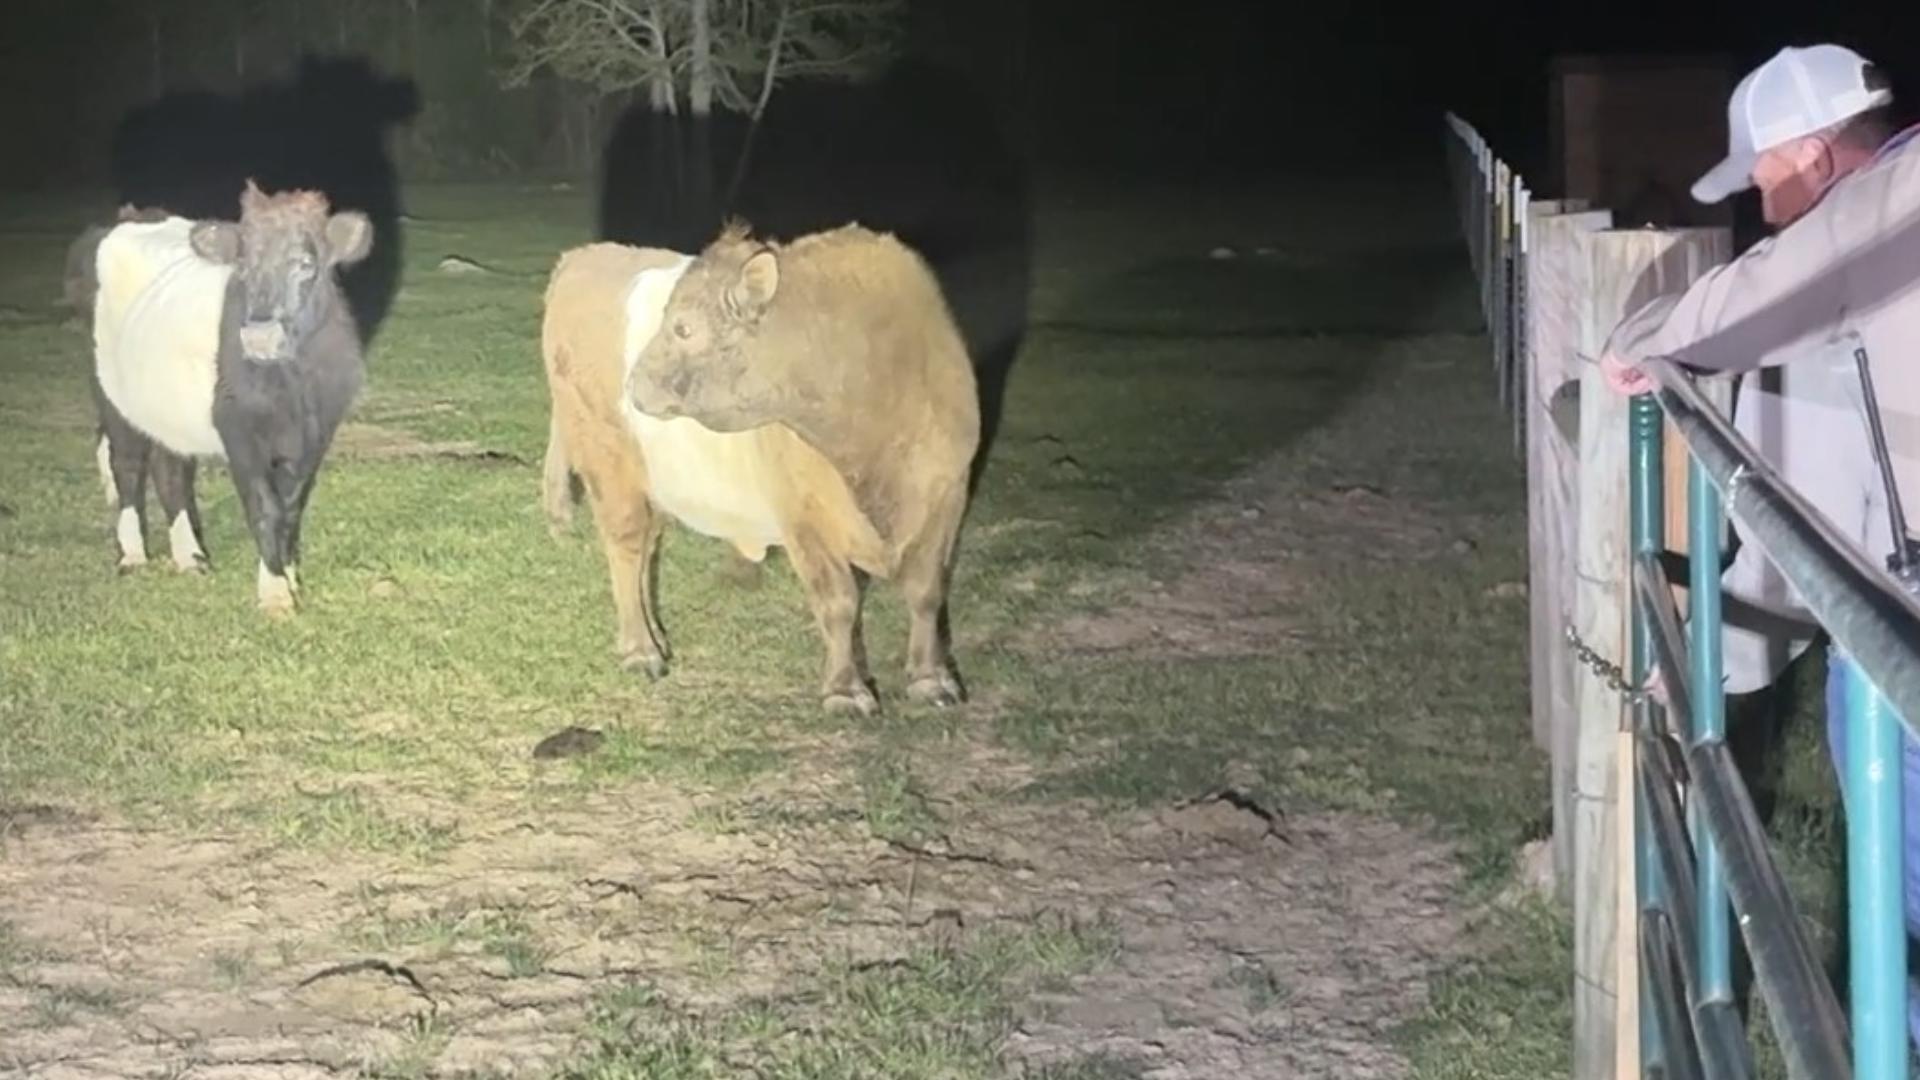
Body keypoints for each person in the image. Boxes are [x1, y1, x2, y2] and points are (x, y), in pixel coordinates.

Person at [1597, 41, 1920, 1044]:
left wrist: (1645, 344)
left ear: (1821, 161)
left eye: (1766, 179)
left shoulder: (1885, 224)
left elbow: (1733, 320)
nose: (1761, 211)